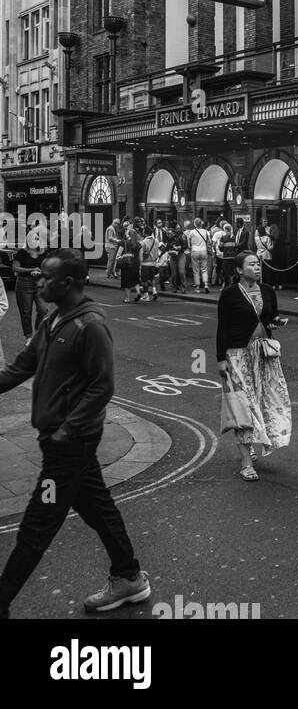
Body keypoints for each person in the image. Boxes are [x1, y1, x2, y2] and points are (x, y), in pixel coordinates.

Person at [0, 248, 151, 617]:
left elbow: (103, 386)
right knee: (96, 506)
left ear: (67, 283)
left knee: (38, 522)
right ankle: (129, 576)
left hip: (69, 445)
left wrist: (69, 429)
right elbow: (20, 368)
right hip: (60, 440)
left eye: (47, 276)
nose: (39, 279)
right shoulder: (52, 322)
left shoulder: (91, 326)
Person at [216, 250, 291, 482]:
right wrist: (220, 359)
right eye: (251, 265)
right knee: (243, 407)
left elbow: (270, 318)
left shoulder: (268, 291)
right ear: (239, 270)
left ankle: (252, 444)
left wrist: (275, 323)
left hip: (264, 355)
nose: (257, 268)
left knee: (264, 401)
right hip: (237, 355)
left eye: (258, 264)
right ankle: (246, 464)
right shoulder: (229, 294)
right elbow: (223, 328)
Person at [12, 235, 48, 338]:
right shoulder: (22, 253)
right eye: (33, 238)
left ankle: (37, 330)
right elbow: (15, 268)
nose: (36, 240)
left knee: (43, 310)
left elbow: (48, 267)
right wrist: (31, 270)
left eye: (37, 238)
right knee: (26, 313)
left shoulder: (44, 252)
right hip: (24, 284)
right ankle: (29, 337)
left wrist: (40, 272)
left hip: (39, 284)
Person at [186, 215, 213, 293]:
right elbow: (210, 242)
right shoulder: (206, 232)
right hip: (204, 251)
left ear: (194, 224)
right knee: (204, 269)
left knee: (196, 270)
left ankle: (197, 287)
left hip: (194, 251)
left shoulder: (192, 232)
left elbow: (189, 244)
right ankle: (206, 285)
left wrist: (190, 248)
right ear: (201, 224)